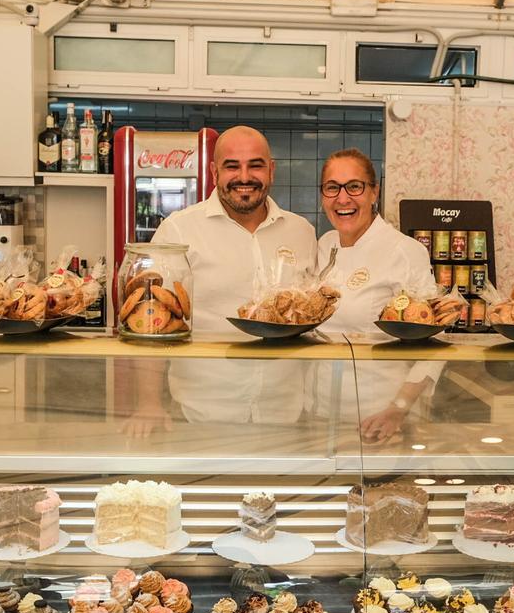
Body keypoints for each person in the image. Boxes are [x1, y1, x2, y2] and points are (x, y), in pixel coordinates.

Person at [123, 125, 317, 434]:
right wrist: (149, 404)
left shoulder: (301, 232)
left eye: (255, 165)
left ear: (271, 170)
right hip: (200, 413)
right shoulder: (179, 231)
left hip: (285, 414)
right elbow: (150, 321)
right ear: (214, 172)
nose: (244, 177)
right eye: (232, 166)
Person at [312, 148, 444, 442]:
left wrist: (397, 410)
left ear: (375, 192)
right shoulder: (325, 244)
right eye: (332, 188)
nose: (342, 198)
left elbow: (432, 348)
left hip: (379, 419)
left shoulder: (405, 251)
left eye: (355, 186)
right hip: (320, 414)